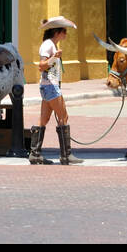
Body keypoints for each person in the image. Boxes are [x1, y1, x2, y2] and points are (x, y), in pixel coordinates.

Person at [29, 16, 82, 165]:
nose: (66, 34)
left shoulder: (51, 44)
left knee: (43, 120)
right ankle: (66, 155)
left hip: (47, 86)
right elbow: (41, 65)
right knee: (63, 117)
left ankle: (35, 154)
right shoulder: (48, 45)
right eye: (64, 31)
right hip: (50, 86)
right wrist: (54, 57)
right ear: (57, 32)